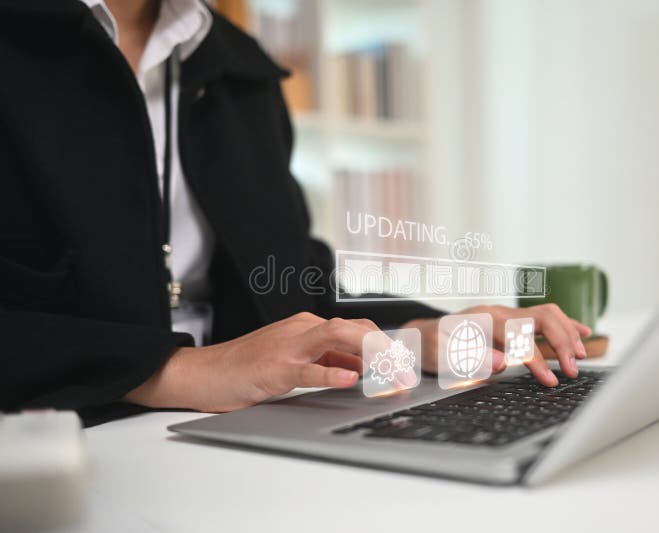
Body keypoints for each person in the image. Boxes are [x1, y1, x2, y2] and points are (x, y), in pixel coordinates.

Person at [0, 0, 591, 425]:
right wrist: (187, 370)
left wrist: (418, 335)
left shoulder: (239, 69)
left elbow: (291, 287)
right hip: (65, 446)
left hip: (242, 430)